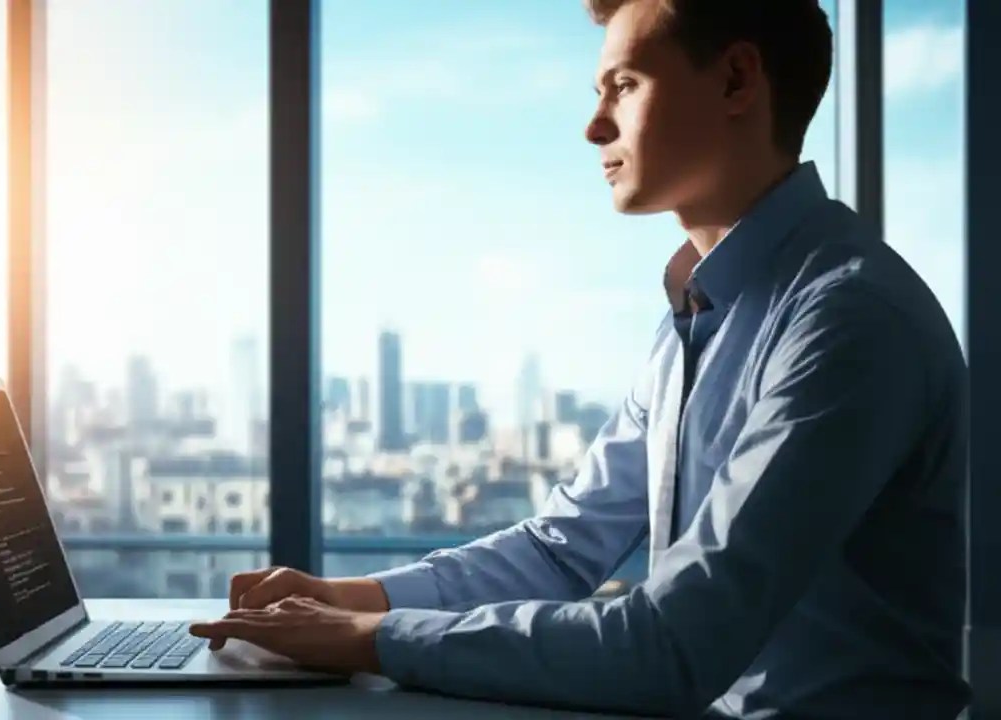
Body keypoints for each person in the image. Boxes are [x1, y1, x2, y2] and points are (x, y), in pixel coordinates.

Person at [189, 1, 971, 717]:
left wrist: (369, 638)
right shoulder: (697, 318)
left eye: (623, 86)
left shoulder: (847, 320)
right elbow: (561, 547)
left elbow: (674, 645)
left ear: (737, 80)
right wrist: (352, 599)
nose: (595, 127)